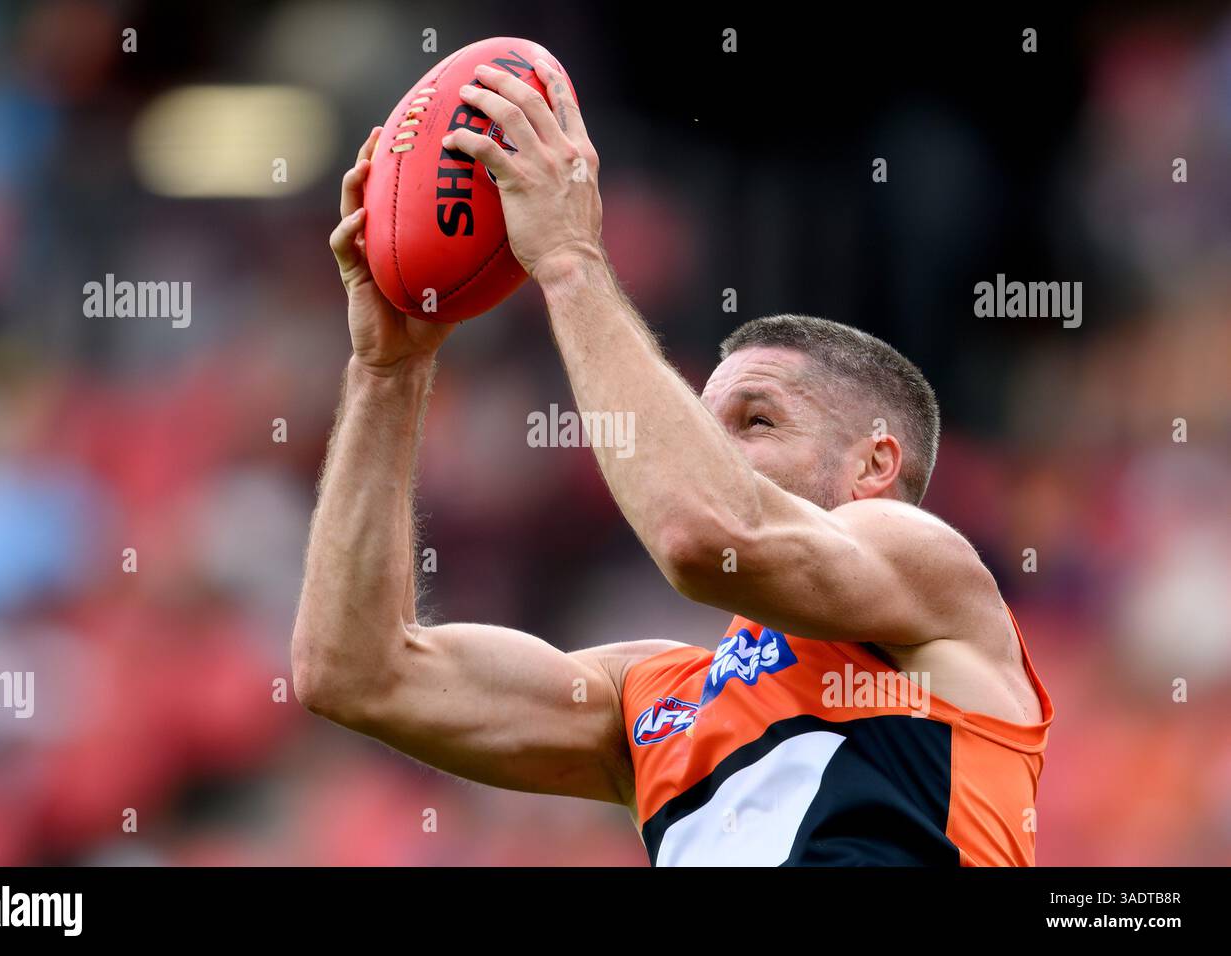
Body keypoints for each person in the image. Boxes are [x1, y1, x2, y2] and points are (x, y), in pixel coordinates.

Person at [292, 59, 1053, 866]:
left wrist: (570, 259)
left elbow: (703, 533)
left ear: (875, 463)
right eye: (700, 420)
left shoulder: (930, 572)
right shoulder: (657, 700)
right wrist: (388, 371)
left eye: (756, 419)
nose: (710, 444)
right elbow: (355, 673)